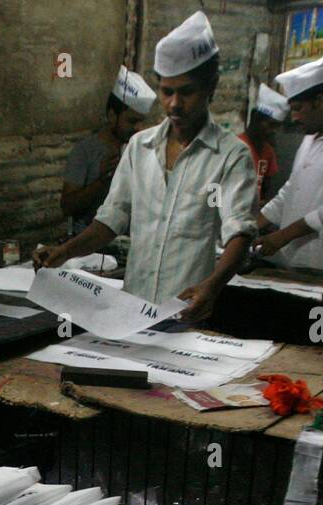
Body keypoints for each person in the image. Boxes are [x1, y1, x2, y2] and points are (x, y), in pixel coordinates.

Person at [33, 12, 256, 322]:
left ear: (211, 86)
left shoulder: (231, 156)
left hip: (188, 311)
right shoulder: (140, 148)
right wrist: (65, 252)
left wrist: (211, 286)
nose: (175, 104)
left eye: (187, 92)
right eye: (167, 92)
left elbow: (240, 234)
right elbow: (111, 220)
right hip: (132, 312)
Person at [252, 47, 323, 274]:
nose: (294, 118)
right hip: (294, 261)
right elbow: (291, 190)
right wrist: (253, 224)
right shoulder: (313, 135)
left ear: (321, 101)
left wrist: (282, 236)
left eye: (298, 109)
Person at [60, 66, 155, 236]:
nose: (138, 128)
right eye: (132, 121)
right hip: (87, 246)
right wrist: (102, 180)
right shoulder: (85, 151)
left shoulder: (140, 150)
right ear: (112, 116)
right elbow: (67, 206)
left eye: (141, 122)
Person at [238, 83, 287, 208]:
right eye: (270, 125)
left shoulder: (268, 151)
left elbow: (266, 184)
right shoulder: (235, 146)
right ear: (255, 117)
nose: (273, 131)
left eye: (277, 127)